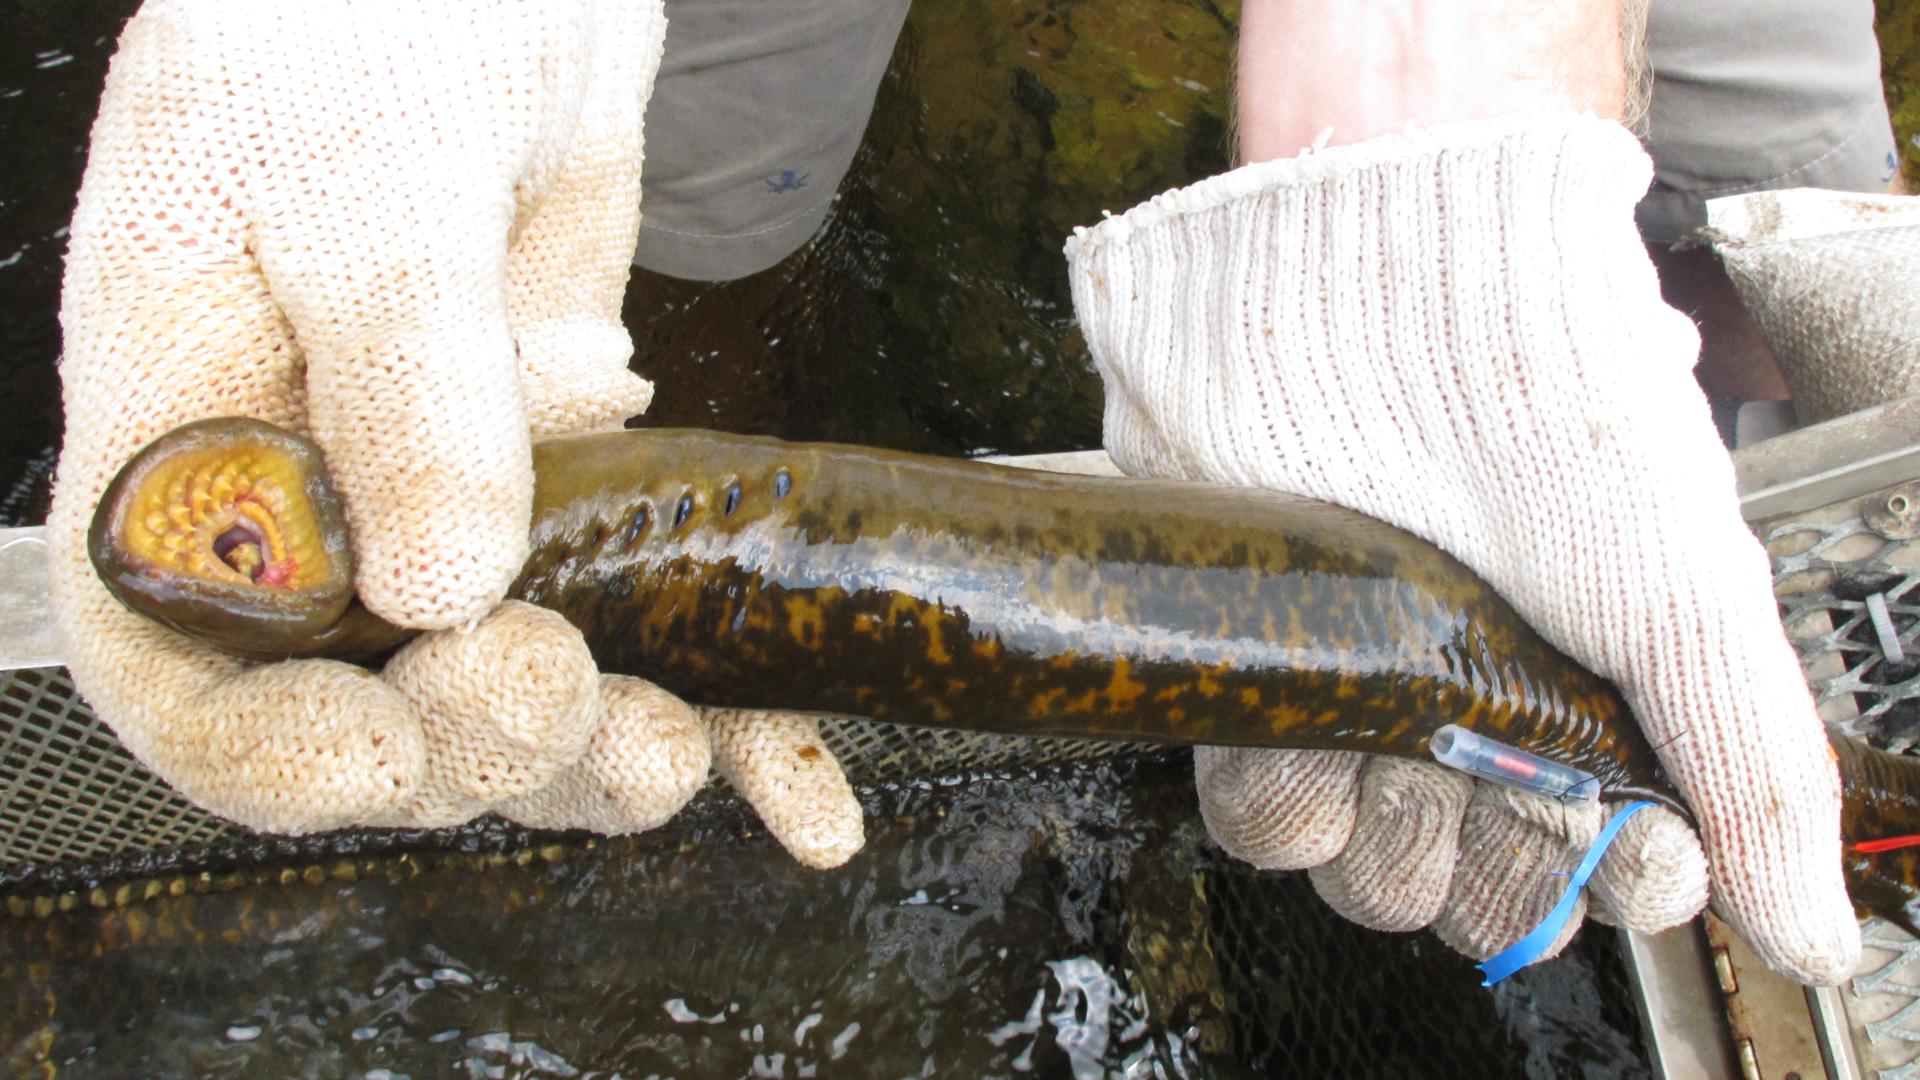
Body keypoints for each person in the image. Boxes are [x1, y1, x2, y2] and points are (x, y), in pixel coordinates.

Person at [45, 0, 1900, 987]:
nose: (220, 540)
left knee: (1735, 285)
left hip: (1431, 625)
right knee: (696, 191)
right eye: (238, 554)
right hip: (1411, 638)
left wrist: (1421, 98)